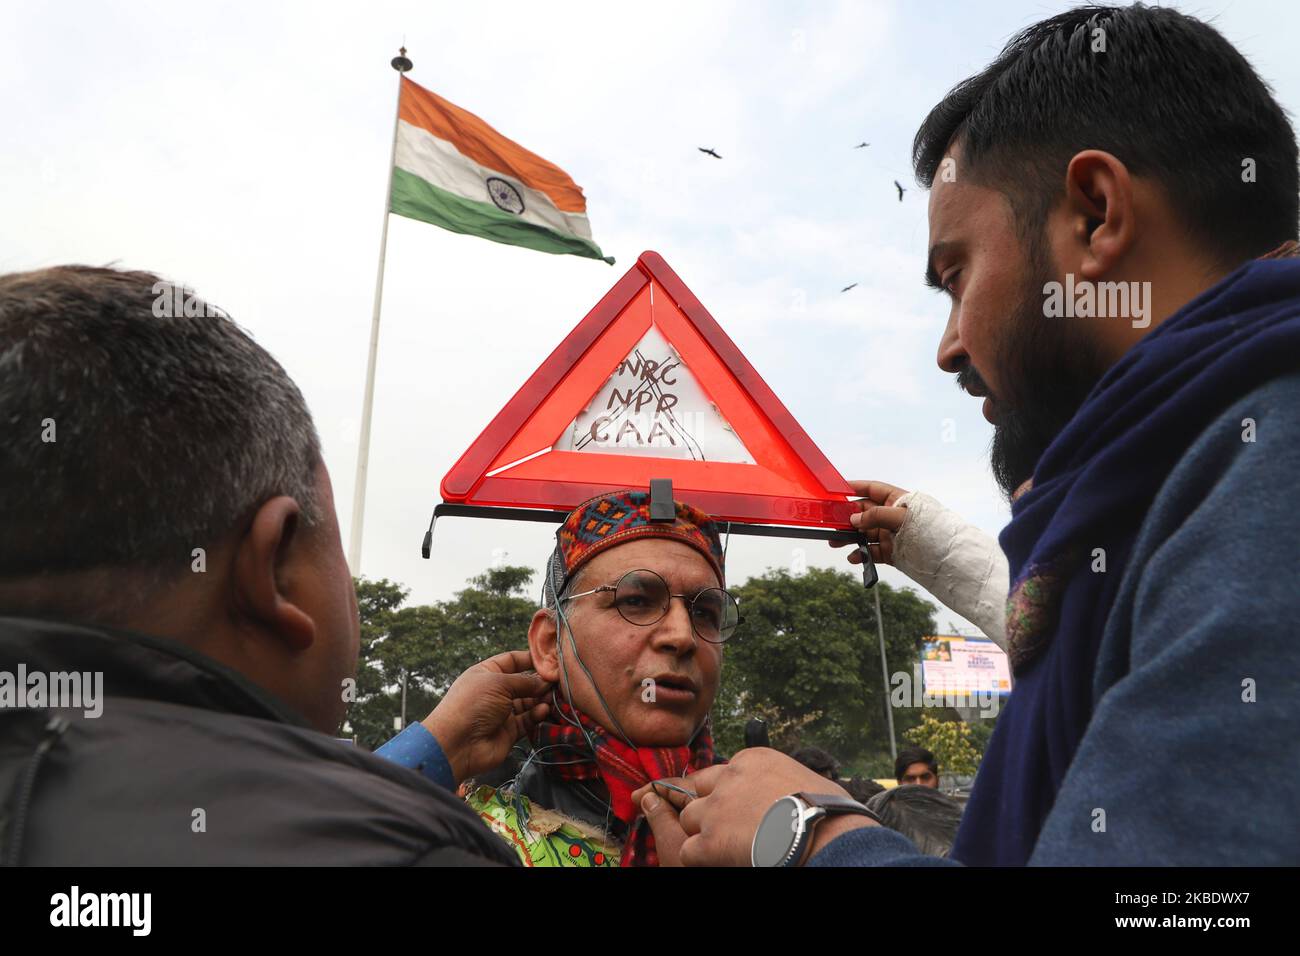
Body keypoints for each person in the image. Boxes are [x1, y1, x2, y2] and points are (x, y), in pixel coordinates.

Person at [630, 4, 1300, 867]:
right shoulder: (1167, 496)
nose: (949, 346)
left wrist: (807, 838)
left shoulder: (1267, 476)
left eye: (956, 275)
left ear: (1096, 215)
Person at [0, 265, 536, 866]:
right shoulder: (417, 853)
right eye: (636, 599)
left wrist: (436, 747)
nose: (667, 636)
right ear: (273, 565)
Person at [380, 489, 737, 866]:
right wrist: (437, 745)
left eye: (706, 613)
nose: (682, 636)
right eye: (635, 601)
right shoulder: (467, 840)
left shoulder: (772, 825)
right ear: (550, 644)